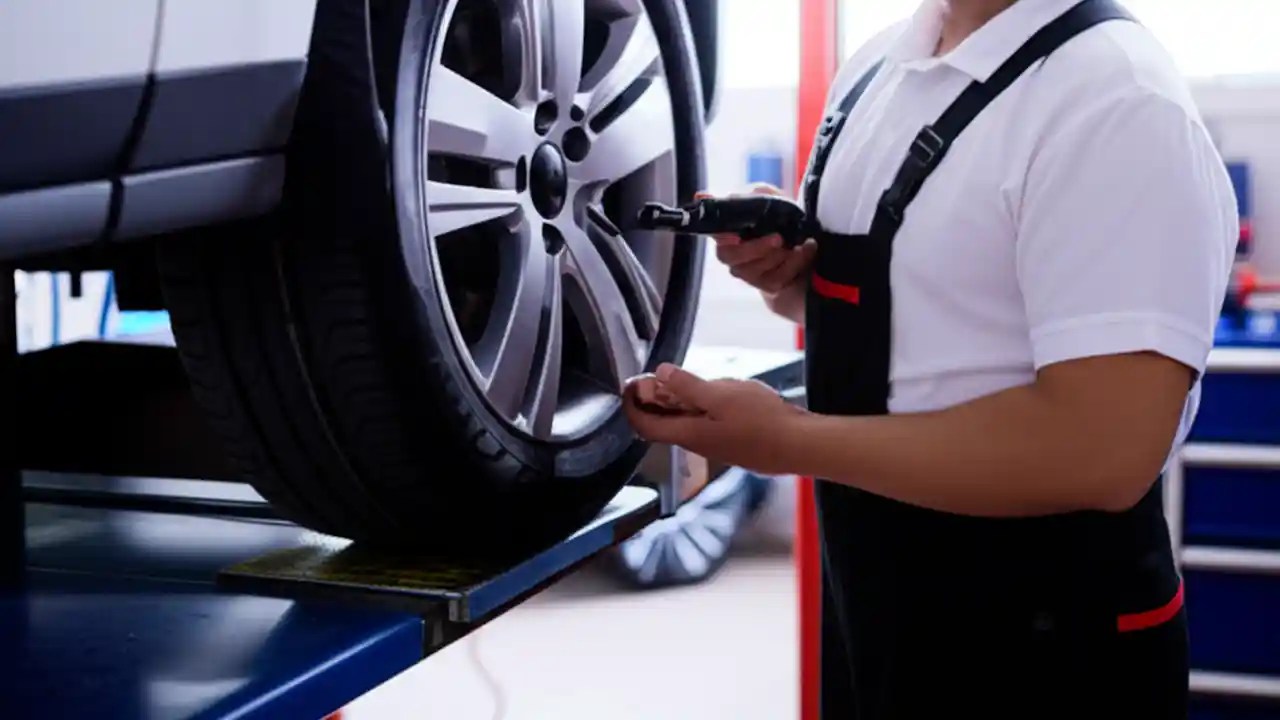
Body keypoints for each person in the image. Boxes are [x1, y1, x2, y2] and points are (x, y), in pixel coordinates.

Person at [622, 0, 1239, 717]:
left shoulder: (1117, 102)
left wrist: (786, 439)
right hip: (878, 602)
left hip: (1047, 645)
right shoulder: (881, 68)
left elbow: (1101, 449)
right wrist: (795, 280)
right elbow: (923, 312)